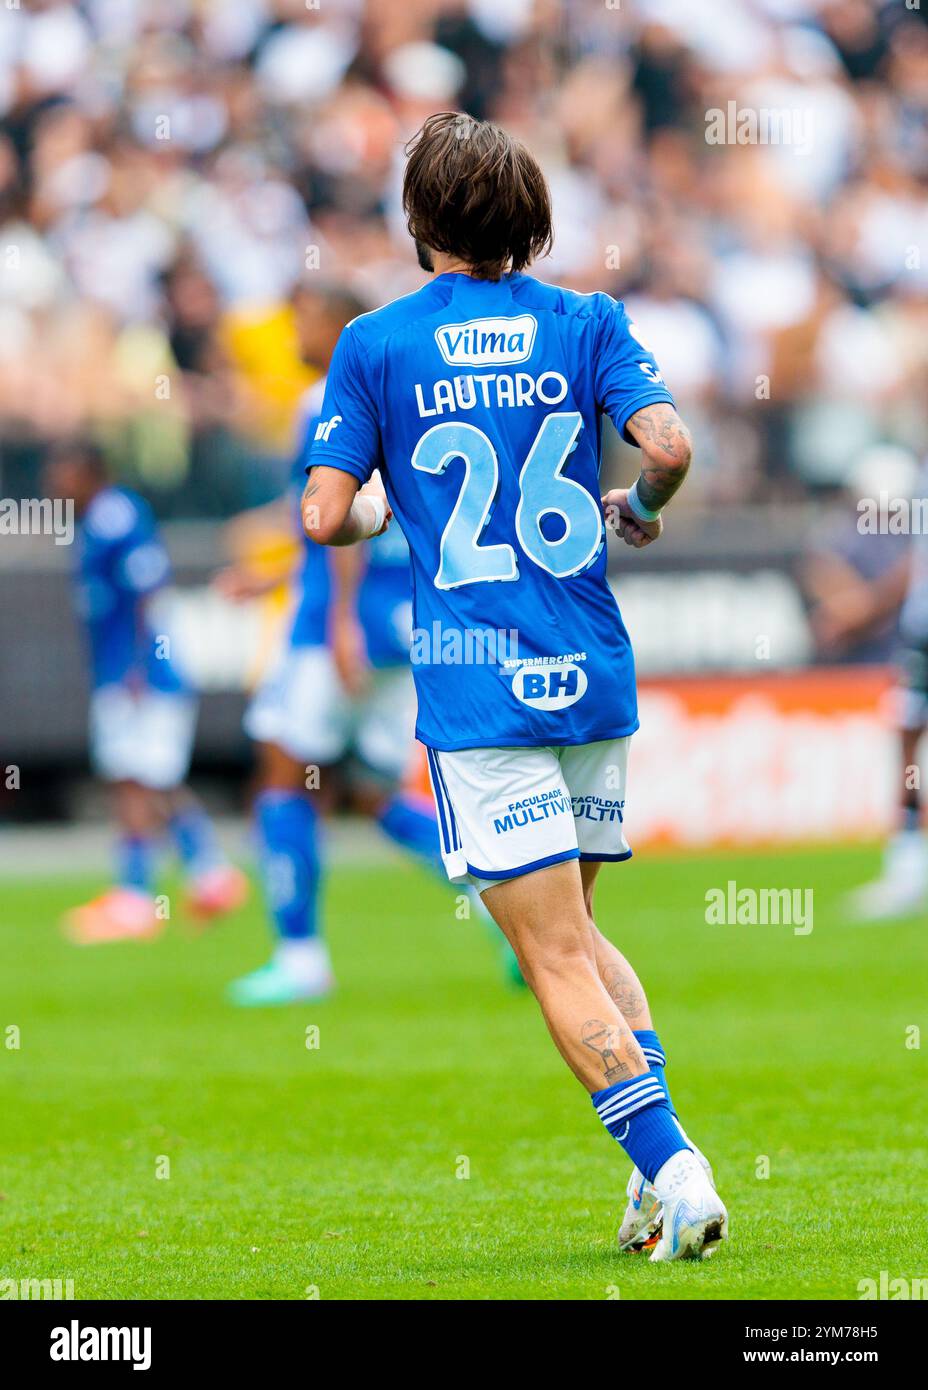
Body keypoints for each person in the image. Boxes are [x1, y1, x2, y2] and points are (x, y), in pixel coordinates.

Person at [300, 113, 727, 1261]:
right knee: (578, 932)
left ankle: (674, 1169)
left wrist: (380, 509)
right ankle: (652, 1175)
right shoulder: (587, 322)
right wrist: (635, 511)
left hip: (478, 688)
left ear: (419, 221)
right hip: (588, 664)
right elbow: (673, 445)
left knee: (546, 954)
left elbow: (322, 514)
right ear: (529, 217)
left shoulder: (376, 342)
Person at [222, 283, 461, 1006]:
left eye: (308, 318)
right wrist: (274, 580)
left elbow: (340, 514)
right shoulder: (411, 397)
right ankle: (493, 902)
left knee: (283, 774)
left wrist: (340, 621)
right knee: (373, 793)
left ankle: (299, 957)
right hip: (404, 623)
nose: (297, 332)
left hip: (336, 625)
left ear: (341, 327)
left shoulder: (328, 397)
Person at [45, 440, 247, 944]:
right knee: (150, 780)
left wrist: (138, 667)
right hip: (129, 673)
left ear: (89, 471)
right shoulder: (96, 520)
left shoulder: (115, 518)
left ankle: (136, 898)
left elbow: (149, 595)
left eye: (64, 472)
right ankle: (211, 873)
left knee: (133, 780)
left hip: (141, 677)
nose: (55, 484)